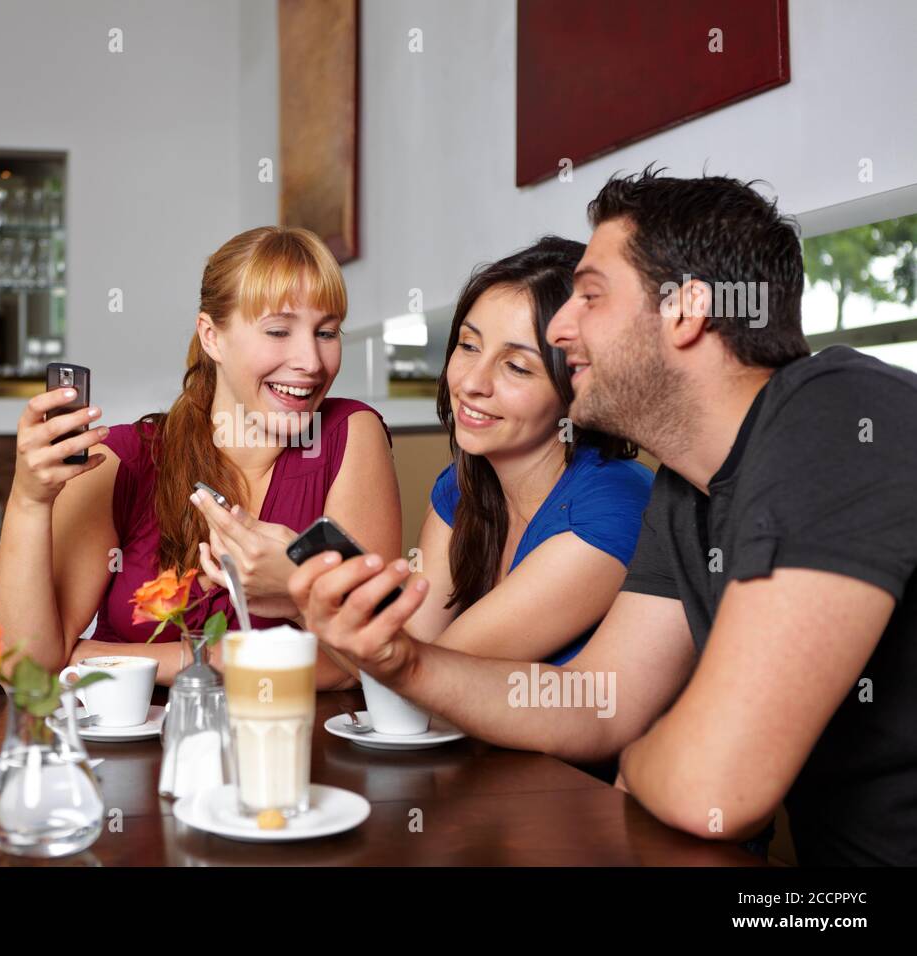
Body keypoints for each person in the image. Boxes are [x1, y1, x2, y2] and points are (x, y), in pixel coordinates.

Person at [289, 166, 917, 865]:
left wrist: (643, 755)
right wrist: (400, 660)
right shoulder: (687, 492)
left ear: (687, 310)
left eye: (589, 296)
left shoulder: (837, 409)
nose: (561, 328)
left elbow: (716, 786)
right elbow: (597, 704)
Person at [0, 225, 400, 687]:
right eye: (279, 330)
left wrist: (120, 659)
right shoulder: (124, 461)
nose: (311, 361)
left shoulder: (350, 435)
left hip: (289, 747)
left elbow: (368, 664)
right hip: (127, 753)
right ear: (211, 337)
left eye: (327, 332)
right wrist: (28, 500)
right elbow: (22, 669)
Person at [406, 236, 652, 669]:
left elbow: (424, 669)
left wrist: (300, 590)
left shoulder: (614, 507)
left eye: (517, 366)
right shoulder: (461, 487)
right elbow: (410, 645)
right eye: (468, 345)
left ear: (578, 382)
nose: (472, 383)